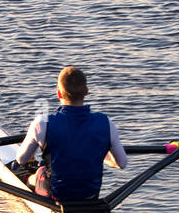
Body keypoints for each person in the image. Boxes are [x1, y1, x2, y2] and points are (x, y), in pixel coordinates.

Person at [12, 66, 128, 201]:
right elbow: (122, 163)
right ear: (86, 92)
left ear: (59, 94)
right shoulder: (106, 122)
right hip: (90, 195)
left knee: (27, 170)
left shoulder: (43, 122)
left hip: (57, 196)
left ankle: (32, 180)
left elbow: (21, 159)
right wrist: (95, 150)